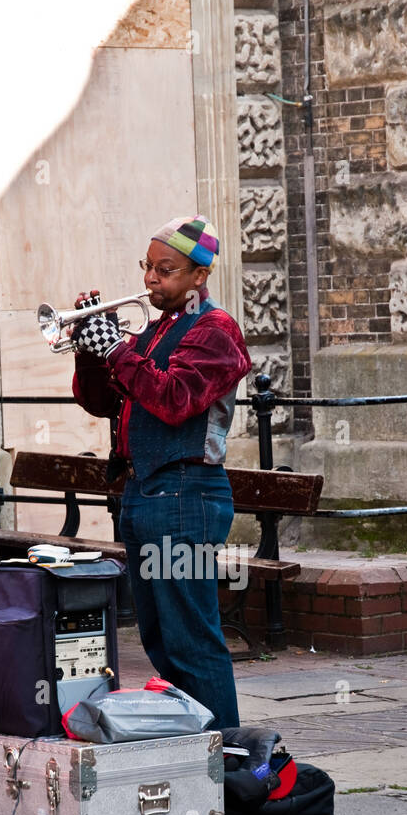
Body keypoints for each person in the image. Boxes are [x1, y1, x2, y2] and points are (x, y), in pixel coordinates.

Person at [70, 215, 251, 729]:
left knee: (191, 639)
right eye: (147, 267)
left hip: (186, 495)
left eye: (165, 270)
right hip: (146, 493)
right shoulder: (154, 332)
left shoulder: (216, 331)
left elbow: (174, 400)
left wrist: (117, 349)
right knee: (160, 639)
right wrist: (90, 351)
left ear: (199, 276)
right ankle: (194, 748)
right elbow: (102, 401)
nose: (150, 279)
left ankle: (229, 755)